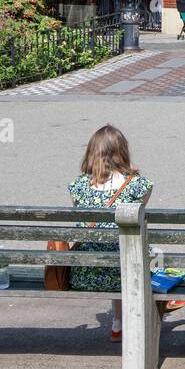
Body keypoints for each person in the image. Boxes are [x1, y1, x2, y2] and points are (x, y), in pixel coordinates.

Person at [67, 125, 153, 343]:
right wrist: (131, 172)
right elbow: (141, 209)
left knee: (108, 247)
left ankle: (118, 323)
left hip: (85, 275)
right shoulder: (138, 185)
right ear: (122, 152)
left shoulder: (77, 186)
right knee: (130, 246)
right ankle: (130, 322)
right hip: (130, 273)